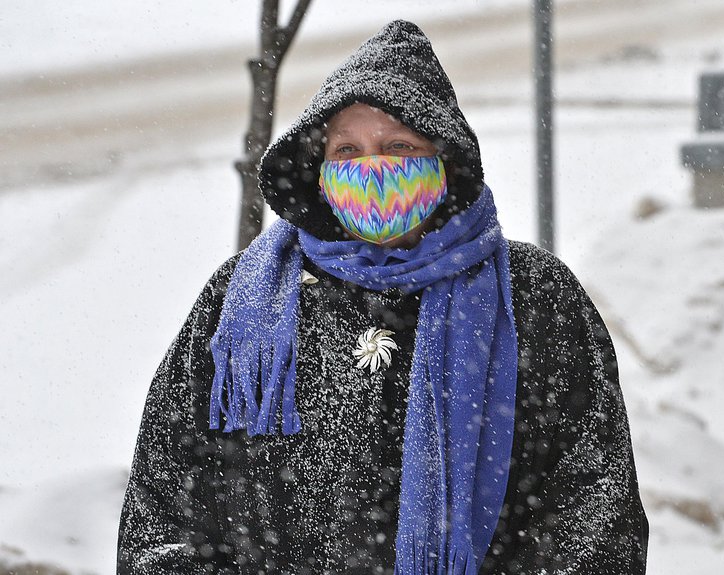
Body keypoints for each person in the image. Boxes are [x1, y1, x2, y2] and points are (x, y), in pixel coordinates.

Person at [118, 20, 648, 574]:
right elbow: (164, 517)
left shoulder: (533, 295)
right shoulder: (241, 303)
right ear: (317, 173)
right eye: (347, 150)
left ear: (444, 162)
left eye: (398, 146)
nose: (372, 170)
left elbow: (594, 509)